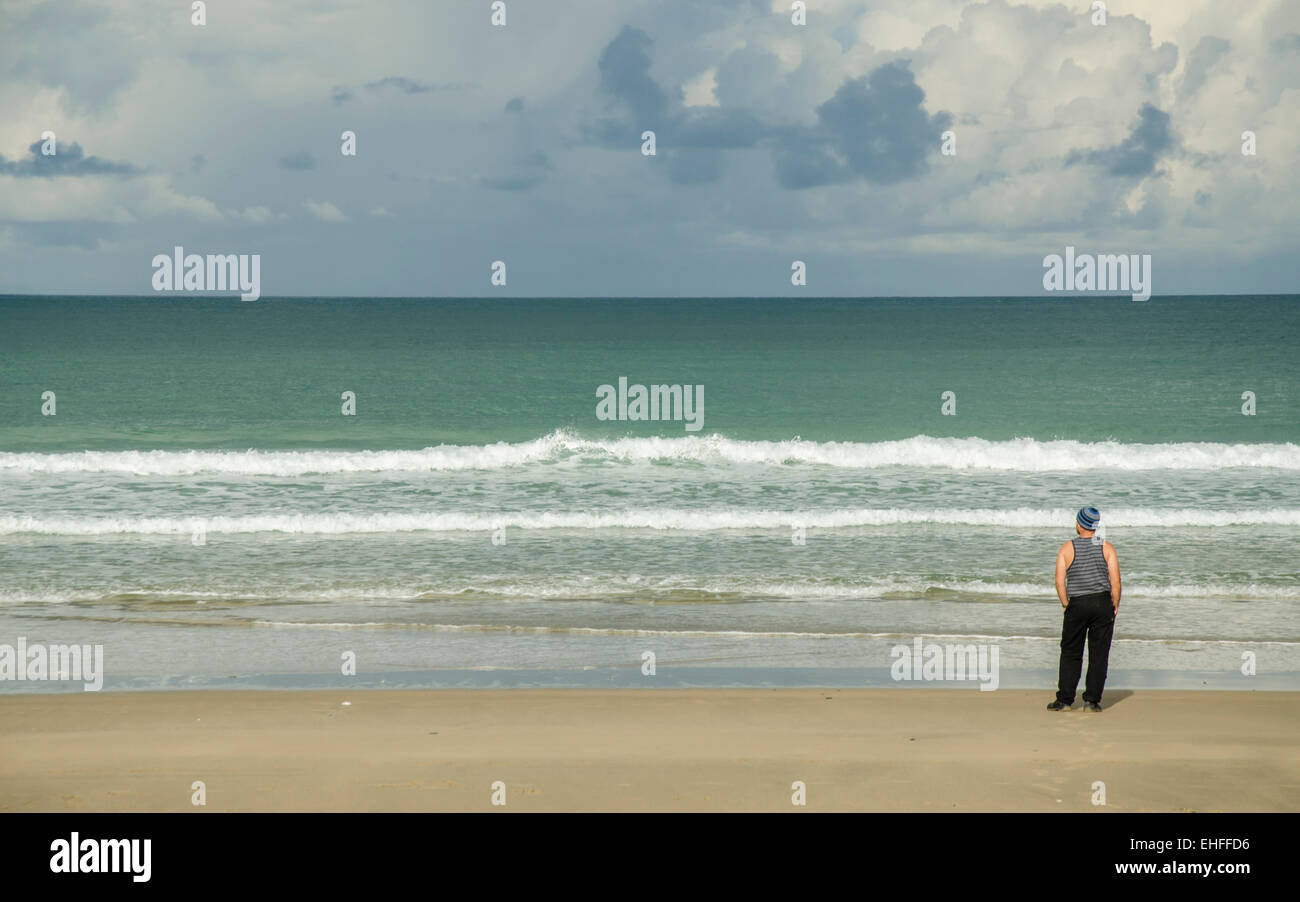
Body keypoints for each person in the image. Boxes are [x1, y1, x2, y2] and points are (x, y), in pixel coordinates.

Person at [1048, 506, 1121, 712]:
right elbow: (1115, 581)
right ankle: (1091, 701)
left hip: (1077, 604)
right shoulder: (1106, 547)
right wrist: (1115, 603)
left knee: (1071, 652)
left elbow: (1059, 581)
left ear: (1079, 524)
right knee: (1099, 653)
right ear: (1095, 527)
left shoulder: (1067, 548)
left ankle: (1064, 700)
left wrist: (1065, 604)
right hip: (1102, 603)